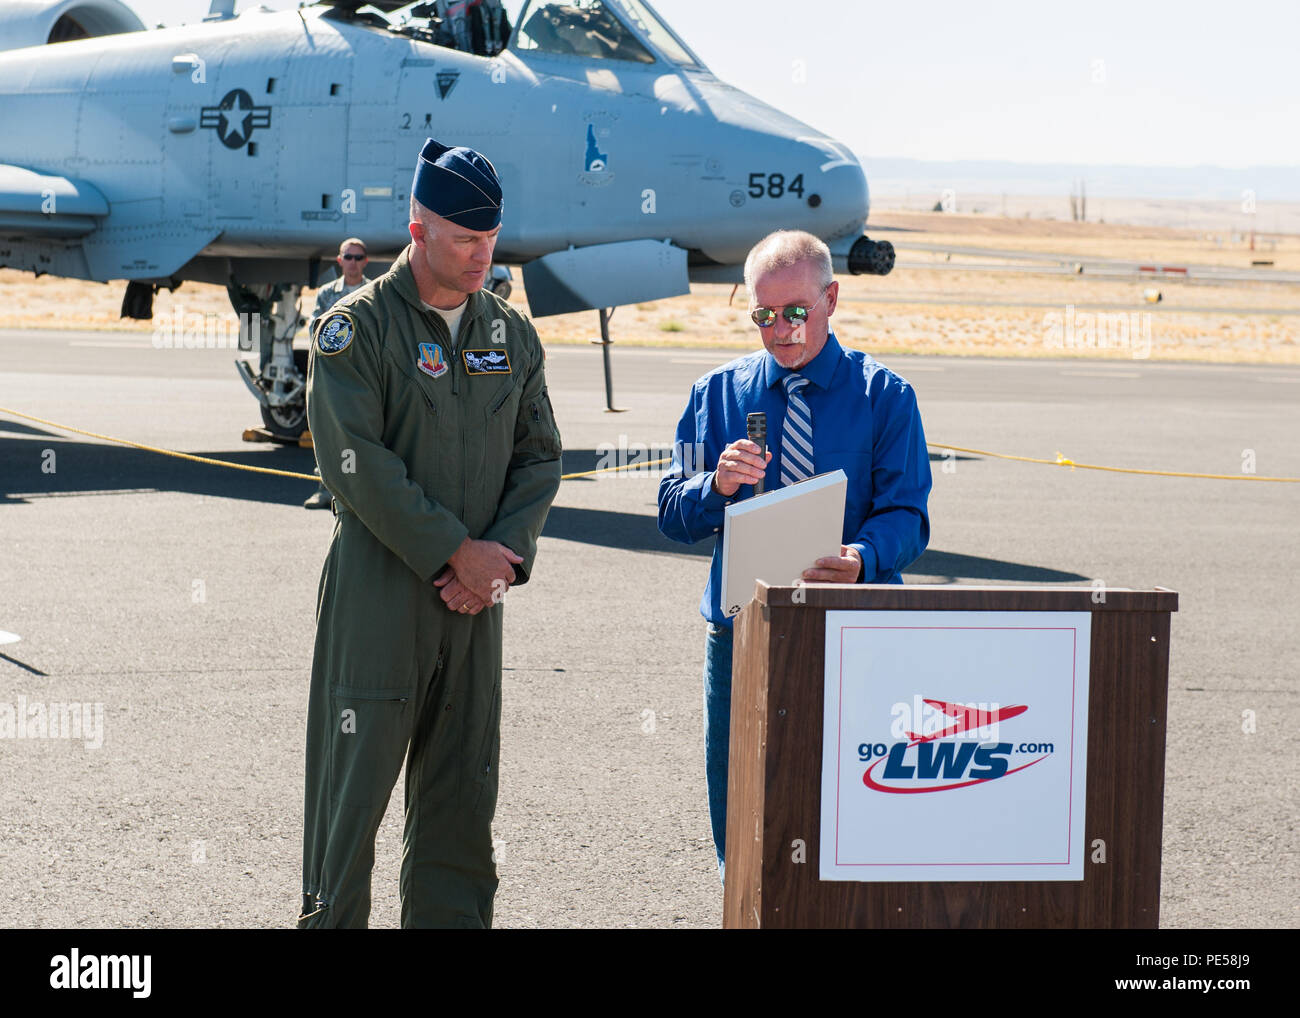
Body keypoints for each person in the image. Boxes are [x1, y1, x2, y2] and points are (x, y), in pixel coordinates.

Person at [298, 138, 562, 928]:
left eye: (491, 239)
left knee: (461, 805)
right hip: (380, 598)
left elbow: (540, 459)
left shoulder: (510, 337)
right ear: (418, 224)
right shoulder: (356, 329)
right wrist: (456, 551)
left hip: (477, 604)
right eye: (464, 239)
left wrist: (500, 563)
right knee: (348, 815)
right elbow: (354, 462)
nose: (483, 256)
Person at [656, 229, 932, 880]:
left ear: (831, 299)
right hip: (744, 632)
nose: (780, 331)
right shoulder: (715, 396)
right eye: (764, 315)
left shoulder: (886, 396)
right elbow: (670, 514)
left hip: (855, 628)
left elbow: (909, 516)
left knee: (856, 802)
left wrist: (863, 556)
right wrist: (713, 487)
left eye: (795, 312)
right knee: (744, 808)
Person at [303, 238, 371, 510]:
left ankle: (361, 493)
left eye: (358, 257)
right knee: (327, 431)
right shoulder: (327, 293)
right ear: (339, 260)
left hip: (363, 374)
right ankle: (324, 489)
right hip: (332, 374)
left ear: (365, 261)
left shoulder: (373, 292)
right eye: (348, 257)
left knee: (364, 433)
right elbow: (314, 329)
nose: (353, 262)